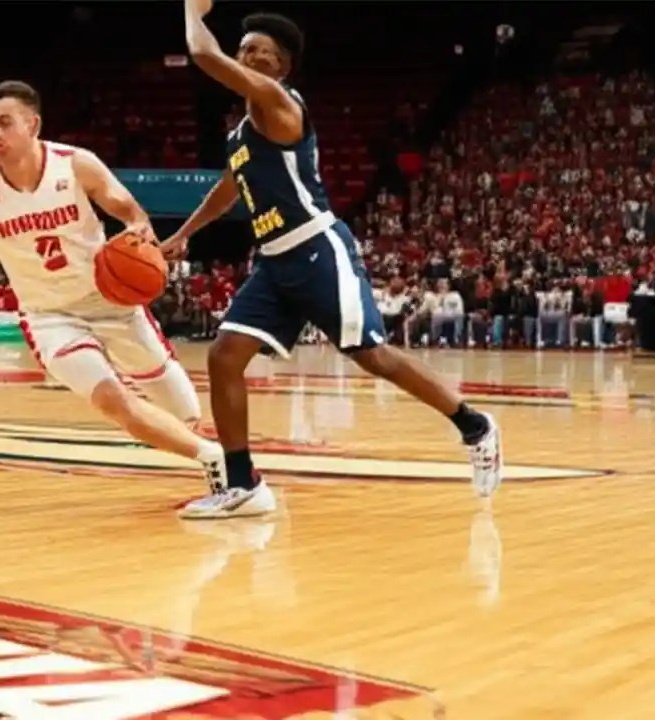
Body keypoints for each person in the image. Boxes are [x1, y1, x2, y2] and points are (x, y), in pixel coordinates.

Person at [164, 1, 503, 519]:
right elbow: (228, 191)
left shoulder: (280, 105)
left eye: (261, 52)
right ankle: (243, 484)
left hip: (316, 248)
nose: (249, 56)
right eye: (245, 49)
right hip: (273, 260)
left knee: (371, 355)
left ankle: (474, 426)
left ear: (281, 68)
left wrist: (193, 11)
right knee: (223, 356)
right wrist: (182, 235)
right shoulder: (240, 136)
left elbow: (203, 53)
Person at [0, 80, 225, 488]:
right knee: (114, 401)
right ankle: (215, 461)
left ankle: (210, 456)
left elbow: (126, 206)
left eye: (4, 123)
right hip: (50, 316)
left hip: (109, 300)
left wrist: (138, 225)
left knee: (186, 412)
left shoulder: (75, 164)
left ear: (33, 124)